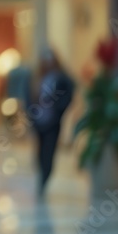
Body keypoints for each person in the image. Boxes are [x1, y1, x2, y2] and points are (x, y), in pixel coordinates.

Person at [29, 48, 75, 197]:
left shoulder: (60, 78)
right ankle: (41, 176)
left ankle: (44, 179)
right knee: (40, 153)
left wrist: (59, 109)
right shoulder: (37, 78)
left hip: (52, 123)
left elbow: (69, 92)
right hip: (39, 122)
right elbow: (29, 97)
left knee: (49, 152)